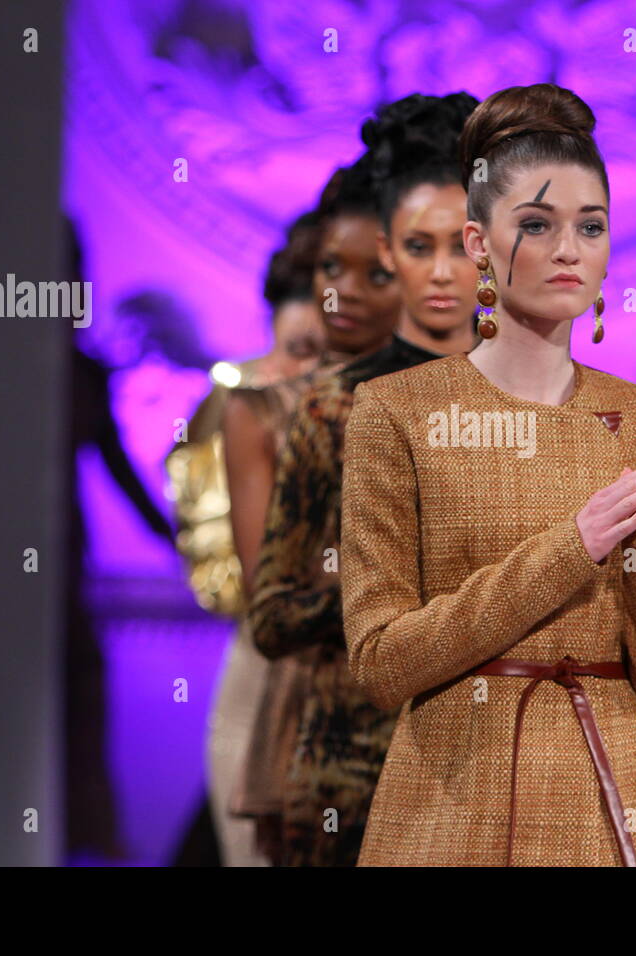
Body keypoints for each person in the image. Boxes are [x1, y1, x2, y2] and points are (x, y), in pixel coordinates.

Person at [339, 83, 636, 866]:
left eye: (591, 226)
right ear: (479, 241)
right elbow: (381, 662)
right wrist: (570, 547)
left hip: (609, 803)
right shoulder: (397, 413)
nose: (568, 250)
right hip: (449, 805)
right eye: (537, 226)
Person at [246, 91, 480, 866]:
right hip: (357, 785)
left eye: (466, 239)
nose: (446, 267)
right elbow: (273, 615)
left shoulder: (554, 401)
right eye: (420, 244)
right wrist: (387, 590)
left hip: (507, 785)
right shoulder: (333, 407)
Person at [229, 163, 403, 863]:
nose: (344, 291)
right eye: (332, 266)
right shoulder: (274, 411)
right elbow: (266, 600)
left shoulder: (451, 401)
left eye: (376, 272)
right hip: (308, 698)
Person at [166, 212, 326, 866]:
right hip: (264, 677)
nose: (296, 374)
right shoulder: (236, 407)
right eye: (289, 350)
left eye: (319, 354)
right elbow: (227, 573)